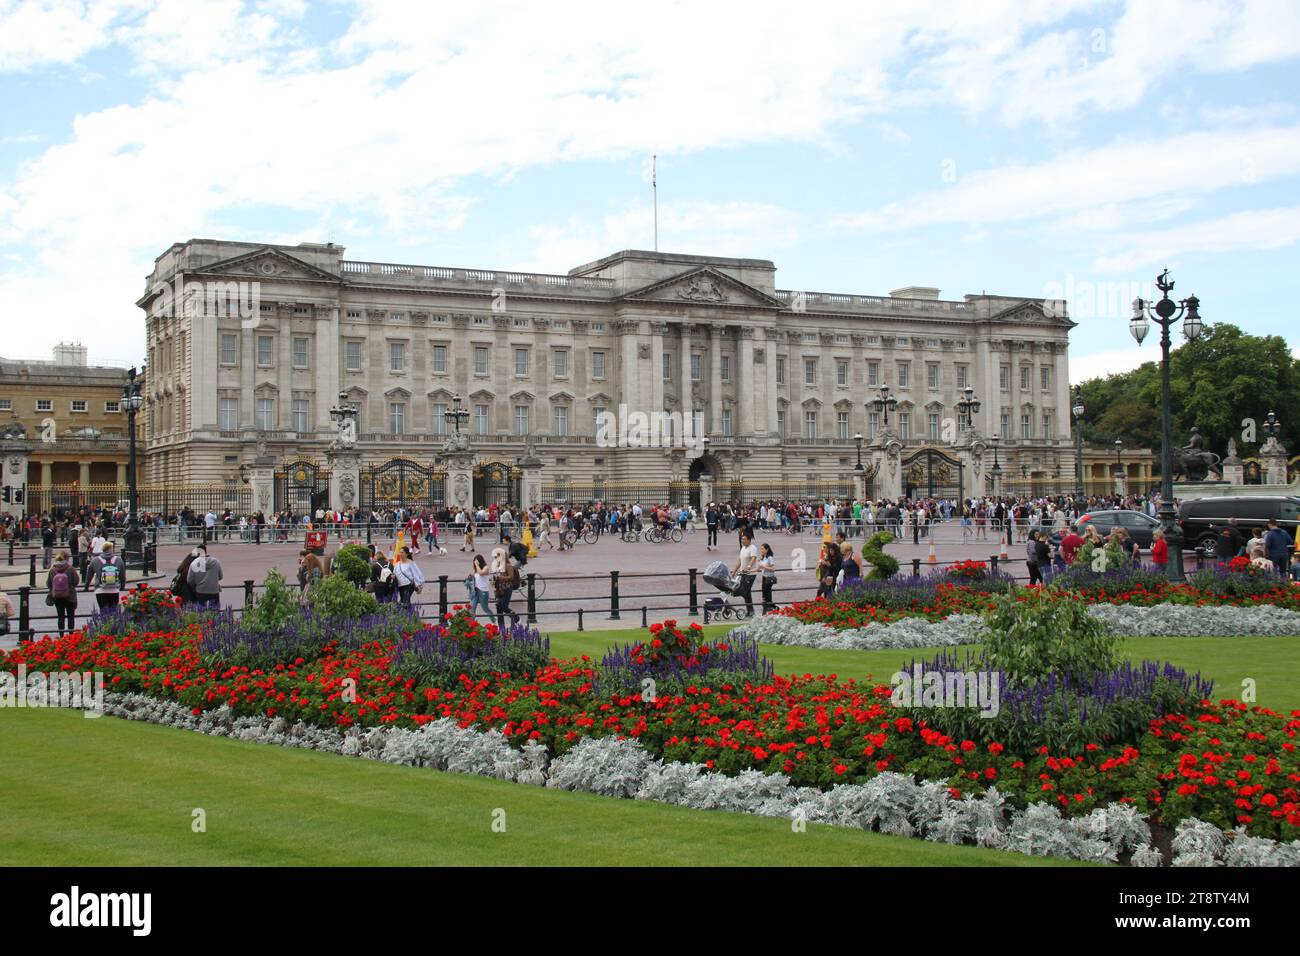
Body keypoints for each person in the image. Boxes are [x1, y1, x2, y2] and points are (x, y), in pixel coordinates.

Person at [46, 551, 80, 636]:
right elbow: (76, 582)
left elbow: (48, 584)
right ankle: (71, 635)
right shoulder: (70, 568)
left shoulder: (52, 570)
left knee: (60, 617)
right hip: (70, 596)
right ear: (67, 558)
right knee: (71, 617)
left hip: (57, 597)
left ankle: (61, 635)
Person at [86, 540, 126, 612]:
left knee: (103, 611)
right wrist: (122, 586)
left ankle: (104, 623)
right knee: (114, 612)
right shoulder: (118, 560)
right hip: (114, 589)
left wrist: (86, 586)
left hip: (100, 589)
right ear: (111, 549)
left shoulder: (95, 560)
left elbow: (89, 575)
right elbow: (122, 575)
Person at [491, 547, 520, 632]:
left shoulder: (508, 566)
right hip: (499, 589)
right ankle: (501, 627)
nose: (495, 558)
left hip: (507, 588)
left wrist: (500, 577)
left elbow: (511, 577)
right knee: (498, 607)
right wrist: (494, 581)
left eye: (497, 557)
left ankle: (517, 619)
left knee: (504, 607)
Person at [731, 532, 758, 618]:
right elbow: (739, 560)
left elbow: (753, 558)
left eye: (743, 539)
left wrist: (749, 566)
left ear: (749, 540)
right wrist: (734, 570)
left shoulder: (752, 548)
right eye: (741, 539)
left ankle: (750, 610)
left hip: (750, 574)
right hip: (743, 573)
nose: (742, 540)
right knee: (747, 592)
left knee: (745, 590)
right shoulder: (743, 548)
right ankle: (750, 610)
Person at [469, 553, 492, 619]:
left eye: (476, 562)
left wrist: (476, 565)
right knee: (472, 608)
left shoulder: (486, 568)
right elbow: (471, 576)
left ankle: (494, 620)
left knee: (485, 609)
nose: (475, 564)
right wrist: (470, 576)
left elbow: (481, 573)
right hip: (475, 591)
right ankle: (472, 623)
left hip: (483, 591)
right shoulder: (476, 569)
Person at [758, 542, 777, 614]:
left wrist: (764, 567)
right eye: (761, 549)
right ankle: (771, 608)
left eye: (762, 549)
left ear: (767, 549)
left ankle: (770, 609)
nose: (761, 550)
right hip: (764, 577)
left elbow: (773, 568)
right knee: (764, 594)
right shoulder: (763, 558)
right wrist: (748, 570)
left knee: (766, 594)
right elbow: (758, 568)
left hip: (769, 578)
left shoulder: (770, 558)